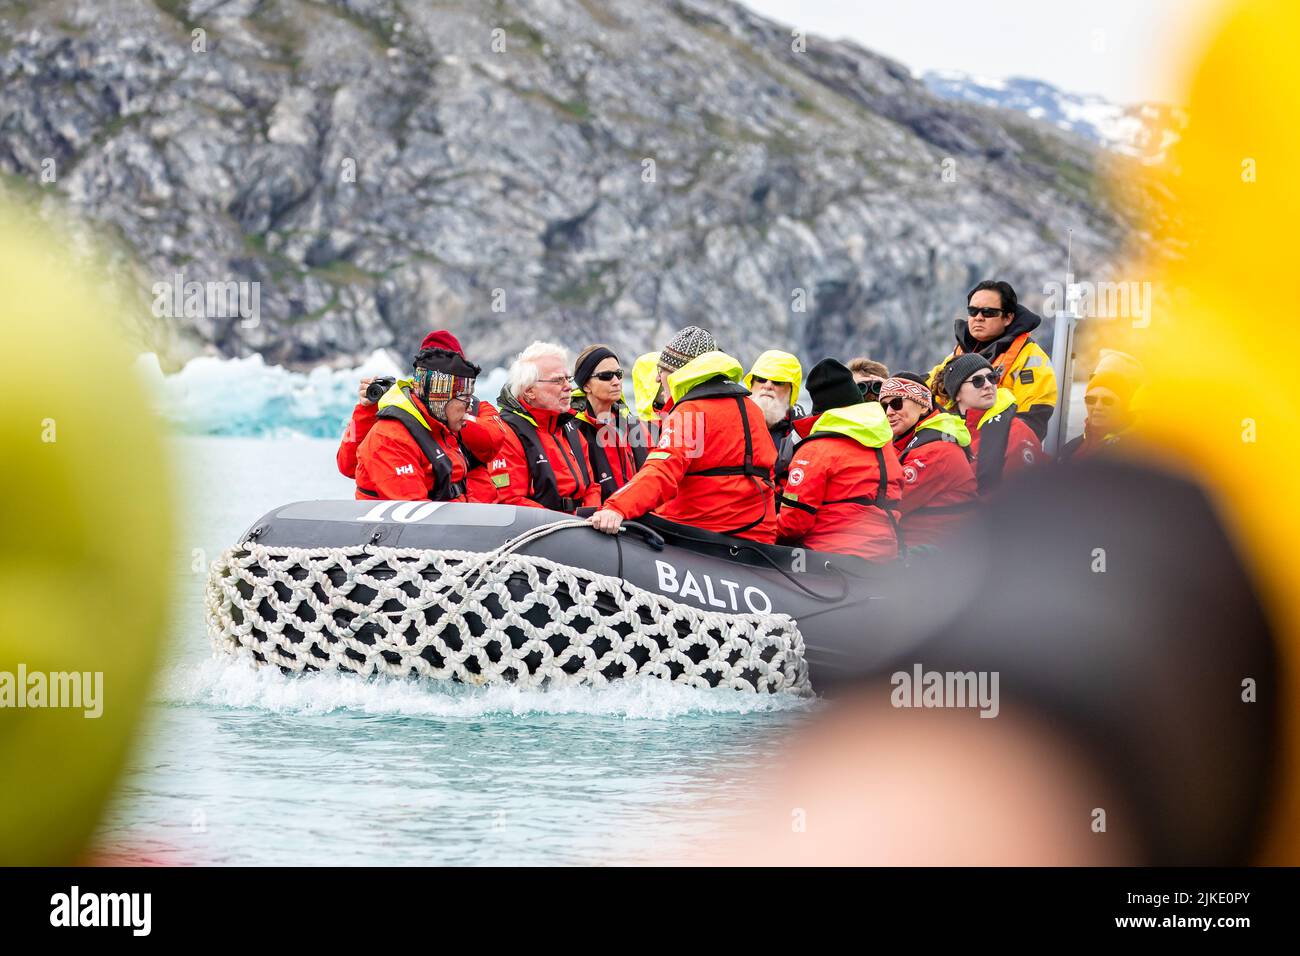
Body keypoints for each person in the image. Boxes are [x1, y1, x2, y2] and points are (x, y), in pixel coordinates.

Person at [588, 349, 779, 543]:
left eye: (661, 370)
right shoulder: (752, 409)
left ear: (678, 373)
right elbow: (768, 471)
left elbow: (662, 471)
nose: (656, 379)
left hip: (703, 534)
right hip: (759, 537)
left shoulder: (691, 411)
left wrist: (616, 507)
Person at [337, 329, 507, 502]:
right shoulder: (391, 435)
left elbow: (494, 440)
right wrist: (365, 410)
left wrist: (460, 418)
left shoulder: (471, 410)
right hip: (451, 520)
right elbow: (347, 465)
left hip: (477, 514)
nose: (467, 401)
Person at [777, 370, 903, 561]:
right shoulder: (885, 445)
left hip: (830, 559)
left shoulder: (815, 450)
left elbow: (793, 524)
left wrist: (760, 531)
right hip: (884, 556)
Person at [927, 280, 1057, 440]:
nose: (978, 317)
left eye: (988, 312)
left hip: (996, 448)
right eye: (973, 311)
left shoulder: (1030, 357)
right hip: (953, 439)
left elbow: (1033, 418)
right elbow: (929, 383)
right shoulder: (959, 352)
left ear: (1008, 318)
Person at [353, 345, 480, 501]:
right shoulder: (389, 439)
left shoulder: (439, 427)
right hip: (405, 524)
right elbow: (415, 514)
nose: (468, 410)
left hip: (449, 517)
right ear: (440, 399)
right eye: (465, 399)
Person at [489, 342, 602, 512]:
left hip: (581, 526)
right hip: (541, 530)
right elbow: (510, 501)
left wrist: (593, 517)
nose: (568, 387)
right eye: (558, 380)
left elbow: (591, 488)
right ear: (529, 391)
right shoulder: (506, 434)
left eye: (568, 378)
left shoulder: (569, 429)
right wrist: (564, 523)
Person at [879, 376, 977, 549]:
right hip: (922, 548)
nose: (889, 412)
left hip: (936, 554)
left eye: (896, 403)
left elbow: (891, 504)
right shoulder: (906, 444)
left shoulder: (935, 451)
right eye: (884, 406)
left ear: (924, 406)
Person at [943, 353, 1043, 494]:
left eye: (992, 378)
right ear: (957, 393)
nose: (988, 385)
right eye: (977, 381)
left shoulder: (1016, 431)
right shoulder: (944, 434)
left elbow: (1023, 497)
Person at [570, 344, 645, 501]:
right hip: (598, 519)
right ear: (586, 385)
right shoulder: (571, 429)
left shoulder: (629, 422)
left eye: (618, 374)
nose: (616, 381)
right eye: (606, 376)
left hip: (634, 516)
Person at [1061, 350, 1143, 462]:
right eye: (1093, 377)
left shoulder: (1138, 451)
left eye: (1107, 400)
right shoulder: (1073, 447)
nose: (1098, 406)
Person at [744, 350, 805, 489]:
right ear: (752, 385)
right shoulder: (734, 420)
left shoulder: (802, 431)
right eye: (761, 379)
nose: (768, 385)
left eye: (777, 381)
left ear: (791, 390)